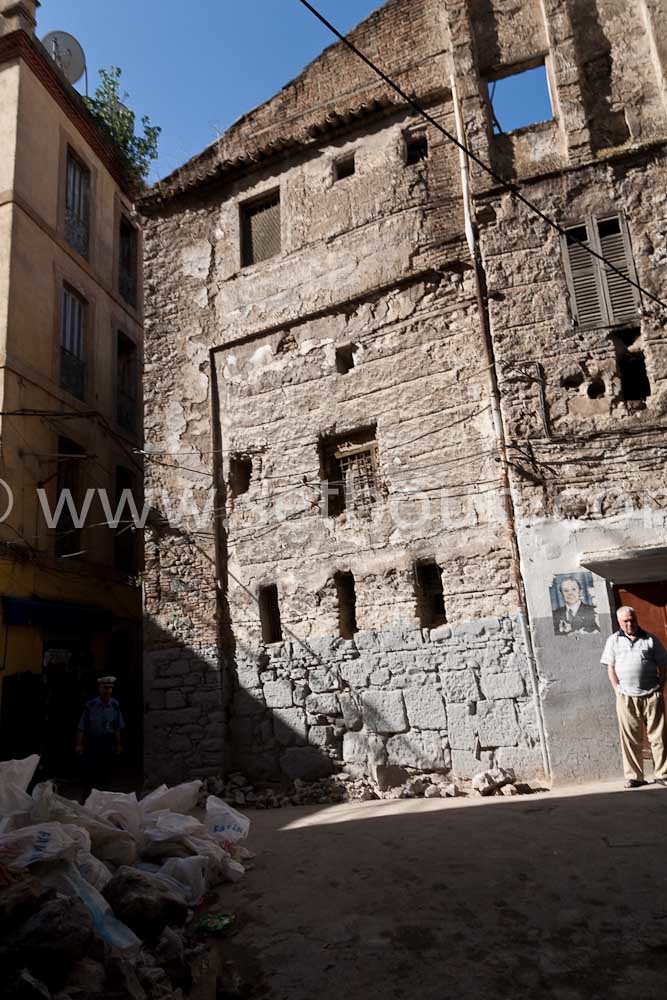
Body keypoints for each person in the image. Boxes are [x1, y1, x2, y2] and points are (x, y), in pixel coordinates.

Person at [600, 606, 667, 789]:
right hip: (626, 696)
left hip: (651, 694)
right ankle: (635, 777)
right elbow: (610, 668)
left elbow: (663, 664)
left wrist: (660, 687)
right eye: (626, 621)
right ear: (619, 623)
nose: (630, 624)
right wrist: (617, 689)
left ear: (636, 619)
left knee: (658, 737)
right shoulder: (613, 641)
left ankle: (662, 774)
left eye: (632, 620)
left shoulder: (650, 639)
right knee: (630, 738)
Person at [76, 676, 125, 795]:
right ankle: (87, 799)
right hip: (94, 742)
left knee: (106, 773)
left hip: (108, 742)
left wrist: (119, 744)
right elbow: (82, 727)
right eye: (105, 688)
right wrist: (79, 744)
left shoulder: (114, 705)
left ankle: (103, 799)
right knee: (91, 773)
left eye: (110, 688)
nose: (107, 691)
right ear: (99, 688)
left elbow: (117, 727)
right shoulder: (91, 705)